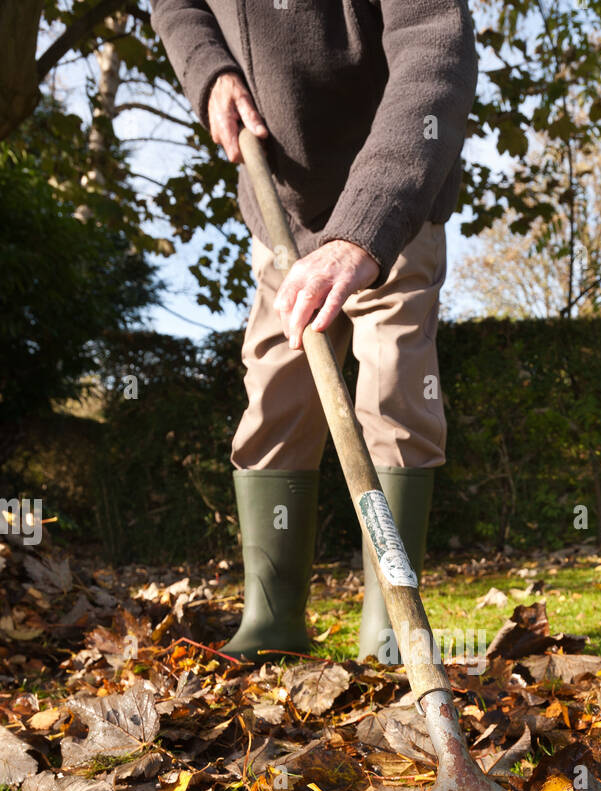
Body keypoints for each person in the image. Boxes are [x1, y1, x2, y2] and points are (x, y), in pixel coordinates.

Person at [149, 0, 478, 660]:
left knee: (393, 389)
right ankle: (273, 621)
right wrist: (206, 69)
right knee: (275, 393)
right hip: (281, 209)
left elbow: (434, 49)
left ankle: (391, 622)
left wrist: (365, 229)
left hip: (394, 202)